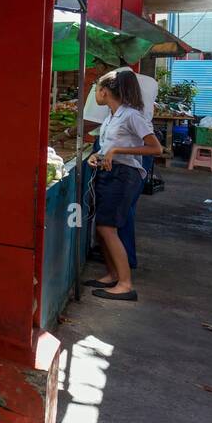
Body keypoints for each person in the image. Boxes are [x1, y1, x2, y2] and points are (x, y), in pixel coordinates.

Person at [85, 70, 163, 302]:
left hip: (125, 175)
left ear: (105, 91)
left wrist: (117, 151)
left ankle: (126, 284)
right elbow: (109, 146)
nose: (96, 94)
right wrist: (97, 156)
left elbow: (155, 148)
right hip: (110, 173)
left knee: (108, 228)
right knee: (102, 227)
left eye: (97, 89)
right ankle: (113, 274)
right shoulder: (111, 116)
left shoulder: (131, 116)